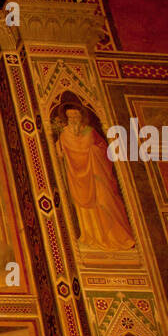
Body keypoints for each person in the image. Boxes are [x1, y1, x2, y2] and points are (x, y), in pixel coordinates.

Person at [55, 102, 136, 251]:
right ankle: (91, 237)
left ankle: (117, 238)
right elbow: (60, 154)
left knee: (106, 202)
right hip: (78, 179)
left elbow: (105, 149)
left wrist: (93, 152)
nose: (73, 119)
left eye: (76, 115)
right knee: (86, 210)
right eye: (70, 116)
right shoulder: (65, 134)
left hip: (97, 175)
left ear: (81, 116)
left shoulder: (90, 131)